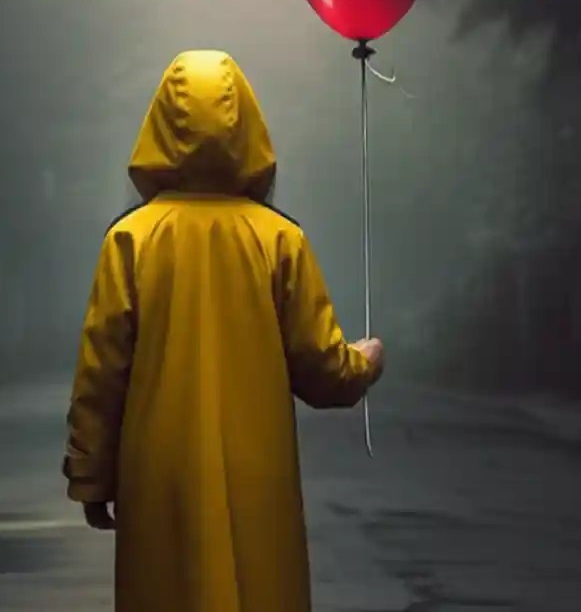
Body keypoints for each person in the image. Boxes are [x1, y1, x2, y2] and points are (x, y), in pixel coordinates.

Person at [62, 49, 385, 611]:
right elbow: (321, 370)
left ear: (160, 126)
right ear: (248, 130)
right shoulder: (280, 241)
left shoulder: (130, 240)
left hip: (160, 479)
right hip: (256, 479)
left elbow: (102, 375)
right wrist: (365, 362)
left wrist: (91, 477)